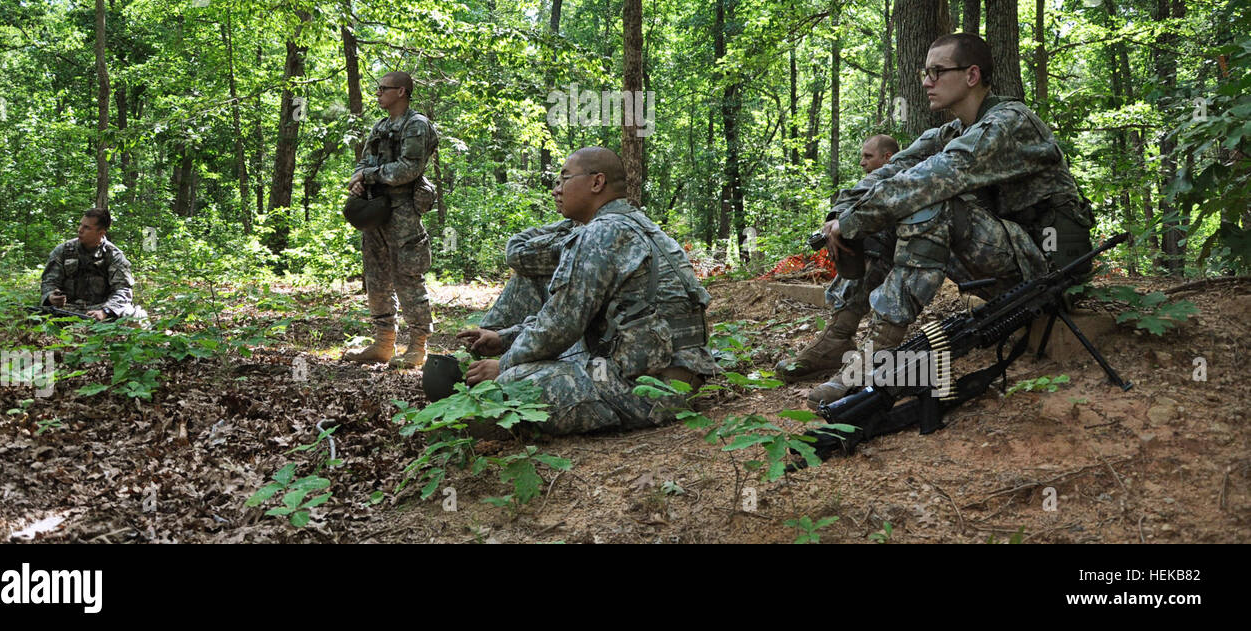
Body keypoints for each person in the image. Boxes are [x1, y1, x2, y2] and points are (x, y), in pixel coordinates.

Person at [799, 33, 1094, 407]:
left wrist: (856, 219)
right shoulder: (951, 131)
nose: (926, 82)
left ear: (972, 76)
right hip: (1002, 263)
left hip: (1047, 272)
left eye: (937, 72)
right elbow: (892, 171)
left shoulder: (1009, 123)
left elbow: (931, 179)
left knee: (925, 204)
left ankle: (875, 358)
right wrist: (842, 212)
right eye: (926, 72)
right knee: (879, 213)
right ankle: (839, 337)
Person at [456, 147, 718, 436]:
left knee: (512, 382)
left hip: (649, 391)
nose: (558, 188)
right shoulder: (635, 224)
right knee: (540, 366)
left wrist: (503, 365)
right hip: (667, 377)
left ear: (597, 183)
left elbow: (560, 325)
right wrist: (504, 338)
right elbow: (565, 318)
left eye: (565, 178)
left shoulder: (600, 234)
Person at [775, 133, 901, 383]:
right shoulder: (874, 185)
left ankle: (839, 340)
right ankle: (837, 338)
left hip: (909, 256)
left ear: (887, 157)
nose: (862, 163)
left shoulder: (904, 175)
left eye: (868, 156)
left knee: (873, 249)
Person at [342, 72, 439, 369]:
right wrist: (358, 179)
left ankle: (418, 346)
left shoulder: (417, 126)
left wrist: (369, 175)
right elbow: (364, 161)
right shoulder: (381, 126)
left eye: (383, 89)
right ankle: (384, 343)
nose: (377, 93)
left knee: (408, 277)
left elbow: (409, 169)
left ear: (401, 91)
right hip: (375, 210)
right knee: (376, 278)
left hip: (404, 212)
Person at [39, 208, 137, 321]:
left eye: (87, 228)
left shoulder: (114, 256)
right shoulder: (63, 251)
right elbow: (49, 282)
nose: (80, 230)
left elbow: (123, 290)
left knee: (131, 314)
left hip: (99, 311)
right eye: (81, 225)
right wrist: (51, 296)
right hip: (66, 310)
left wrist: (105, 311)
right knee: (36, 318)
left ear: (101, 233)